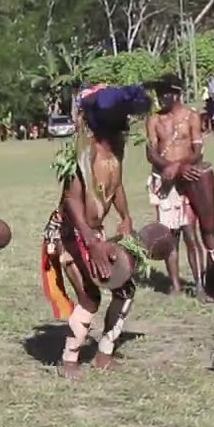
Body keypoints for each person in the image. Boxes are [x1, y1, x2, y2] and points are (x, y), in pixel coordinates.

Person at [40, 84, 151, 380]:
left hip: (94, 233)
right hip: (70, 234)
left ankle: (104, 352)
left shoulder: (115, 148)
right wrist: (92, 242)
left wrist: (126, 216)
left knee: (125, 289)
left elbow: (115, 185)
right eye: (123, 120)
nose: (128, 125)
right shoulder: (83, 154)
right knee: (89, 297)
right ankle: (70, 360)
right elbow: (70, 201)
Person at [143, 75, 207, 298]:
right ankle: (175, 284)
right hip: (163, 181)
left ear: (177, 94)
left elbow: (198, 150)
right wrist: (167, 168)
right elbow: (150, 152)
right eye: (159, 94)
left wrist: (178, 168)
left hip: (187, 179)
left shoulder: (191, 117)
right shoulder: (154, 120)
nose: (161, 98)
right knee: (169, 236)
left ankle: (199, 285)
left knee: (191, 233)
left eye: (165, 93)